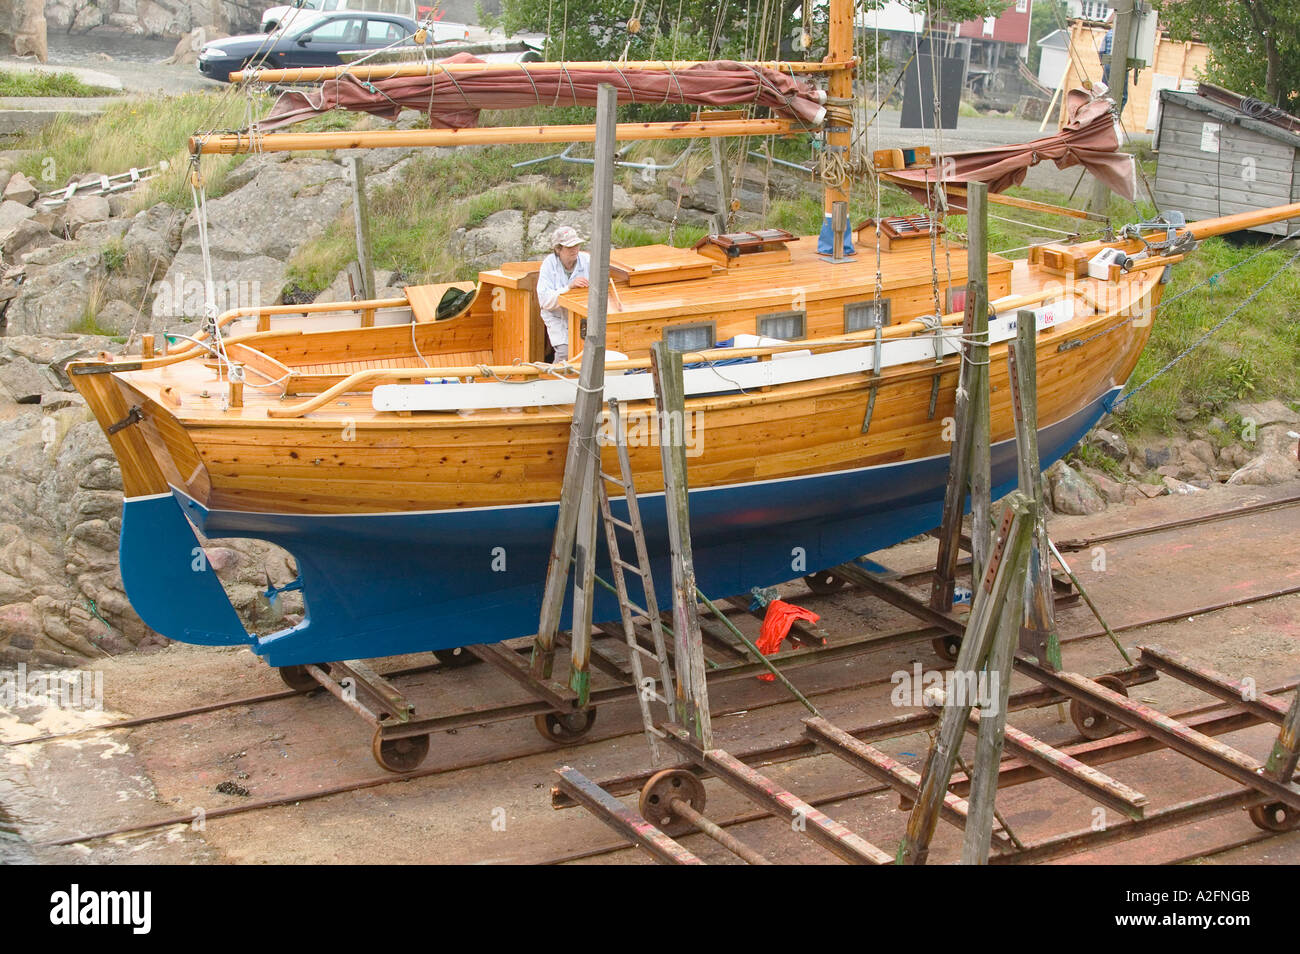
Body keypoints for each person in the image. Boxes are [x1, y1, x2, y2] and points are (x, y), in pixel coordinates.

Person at [536, 225, 590, 363]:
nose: (575, 249)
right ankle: (553, 380)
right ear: (558, 249)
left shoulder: (587, 260)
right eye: (569, 246)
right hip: (556, 316)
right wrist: (569, 288)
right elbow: (545, 301)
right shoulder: (548, 264)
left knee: (588, 351)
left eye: (577, 245)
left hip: (581, 317)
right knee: (565, 353)